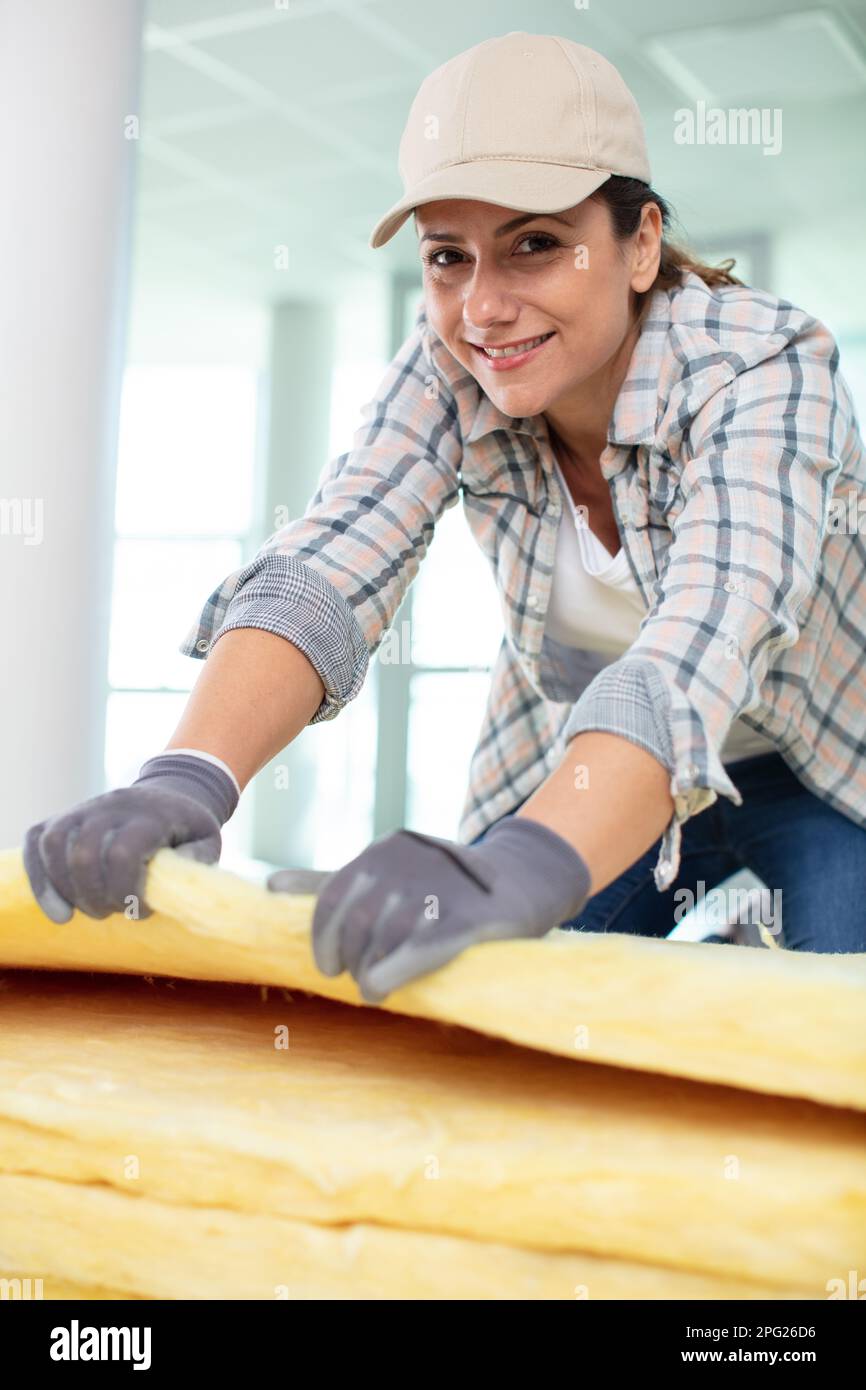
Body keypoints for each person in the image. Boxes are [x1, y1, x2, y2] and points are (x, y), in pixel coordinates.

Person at [24, 33, 866, 1003]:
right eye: (446, 257)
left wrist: (528, 861)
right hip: (588, 767)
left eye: (534, 245)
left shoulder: (764, 361)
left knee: (838, 1022)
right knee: (486, 1013)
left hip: (814, 765)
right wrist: (188, 775)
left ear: (638, 245)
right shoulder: (451, 358)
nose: (482, 308)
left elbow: (710, 625)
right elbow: (337, 554)